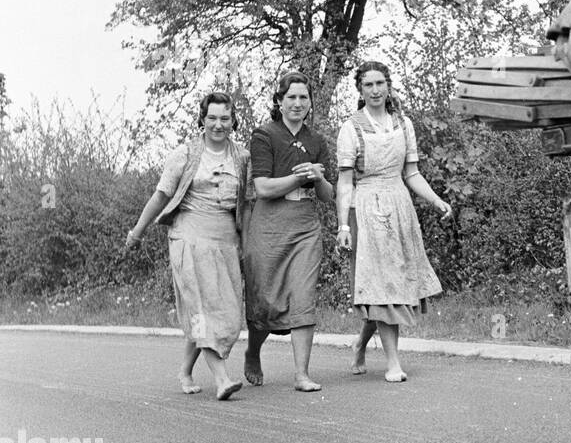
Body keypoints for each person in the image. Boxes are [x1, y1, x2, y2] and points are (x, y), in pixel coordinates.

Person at [124, 92, 249, 400]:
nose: (218, 125)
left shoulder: (243, 157)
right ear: (202, 120)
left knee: (227, 314)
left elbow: (250, 203)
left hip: (226, 240)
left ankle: (184, 369)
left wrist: (249, 241)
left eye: (225, 119)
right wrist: (137, 232)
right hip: (189, 236)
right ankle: (222, 379)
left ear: (233, 121)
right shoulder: (186, 154)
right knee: (200, 308)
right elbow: (161, 196)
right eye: (212, 118)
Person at [335, 61, 450, 382]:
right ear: (360, 90)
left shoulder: (403, 123)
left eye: (379, 84)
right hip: (367, 208)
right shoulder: (352, 128)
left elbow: (411, 173)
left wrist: (437, 200)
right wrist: (343, 225)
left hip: (400, 207)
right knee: (381, 286)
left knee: (393, 284)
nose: (375, 91)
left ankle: (361, 343)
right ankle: (393, 363)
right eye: (368, 85)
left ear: (388, 86)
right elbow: (345, 183)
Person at [242, 71, 334, 391]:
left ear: (310, 102)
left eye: (303, 97)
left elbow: (327, 195)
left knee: (303, 296)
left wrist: (318, 178)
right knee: (265, 301)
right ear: (279, 101)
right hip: (268, 223)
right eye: (291, 97)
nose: (297, 103)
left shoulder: (317, 141)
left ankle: (301, 374)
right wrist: (298, 177)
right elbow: (264, 188)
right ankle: (253, 352)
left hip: (305, 222)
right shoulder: (264, 135)